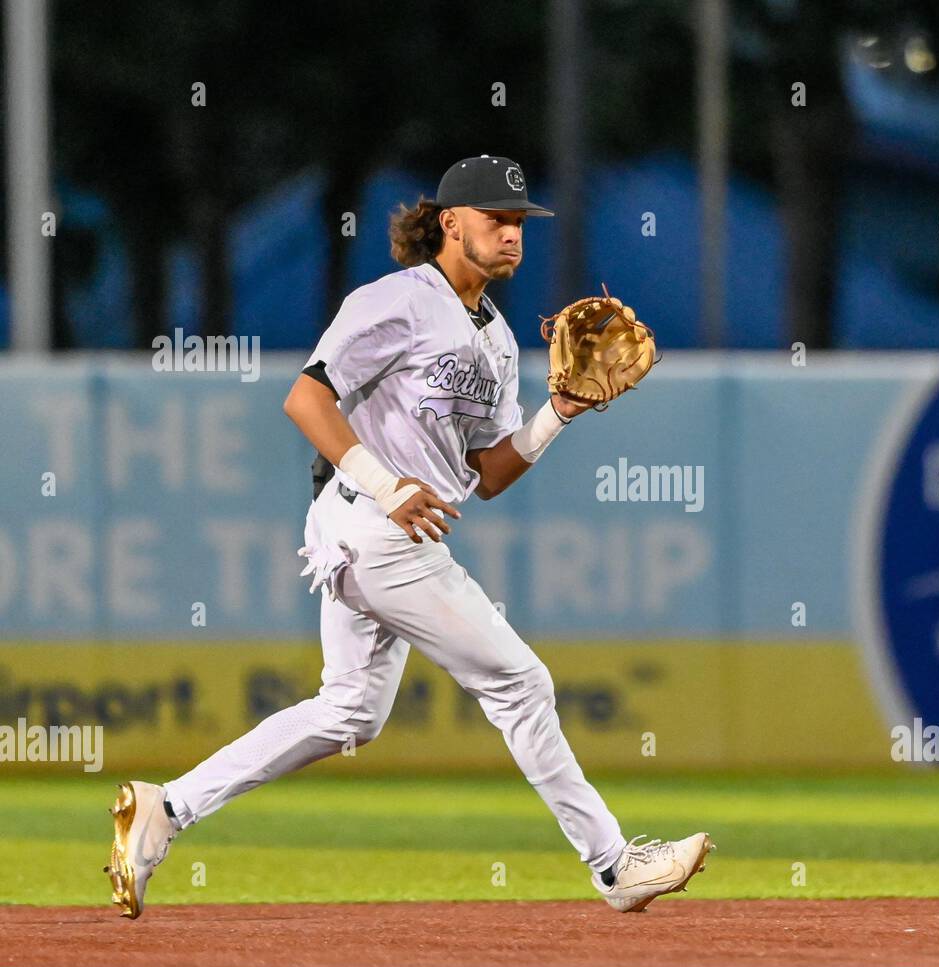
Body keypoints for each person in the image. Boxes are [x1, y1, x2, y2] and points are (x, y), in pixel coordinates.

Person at [105, 155, 713, 919]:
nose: (512, 232)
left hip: (390, 529)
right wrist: (388, 485)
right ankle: (614, 863)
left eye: (521, 221)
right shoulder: (396, 299)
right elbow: (305, 398)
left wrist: (559, 411)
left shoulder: (495, 340)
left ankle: (166, 807)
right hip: (368, 517)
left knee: (350, 711)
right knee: (520, 682)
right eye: (497, 217)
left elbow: (487, 472)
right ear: (450, 222)